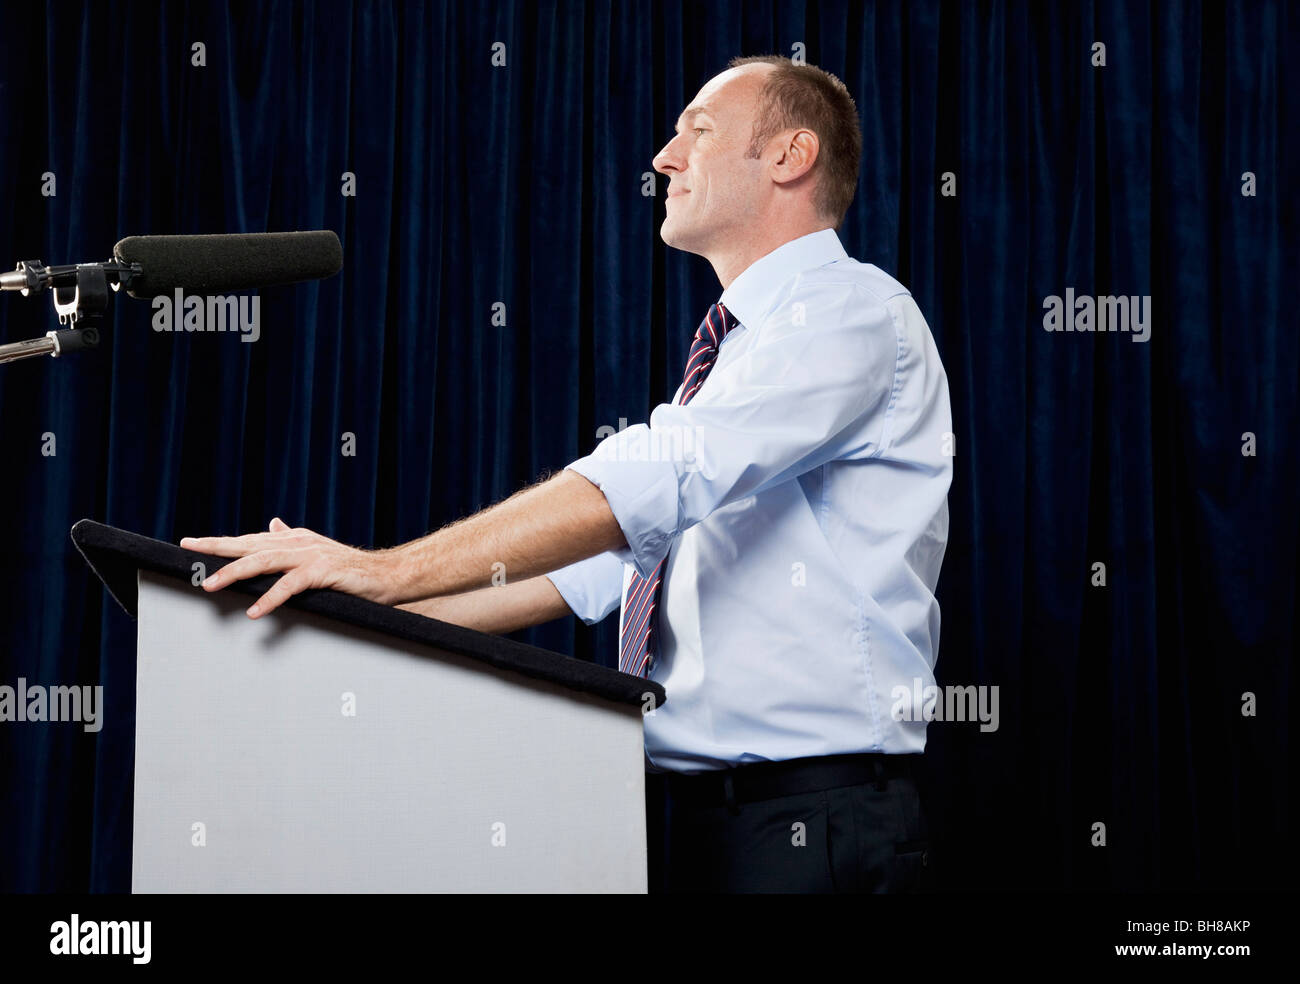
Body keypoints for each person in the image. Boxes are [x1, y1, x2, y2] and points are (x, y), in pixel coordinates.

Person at [181, 55, 953, 893]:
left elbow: (658, 479)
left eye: (696, 130)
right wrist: (347, 615)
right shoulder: (743, 357)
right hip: (690, 822)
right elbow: (586, 572)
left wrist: (382, 570)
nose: (664, 158)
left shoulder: (848, 312)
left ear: (790, 155)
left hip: (812, 827)